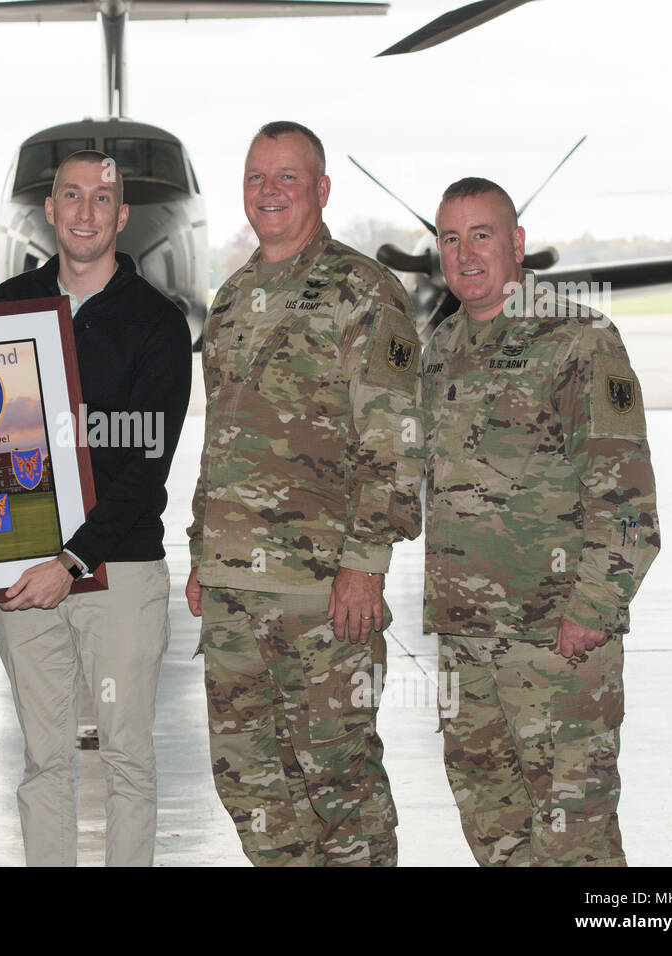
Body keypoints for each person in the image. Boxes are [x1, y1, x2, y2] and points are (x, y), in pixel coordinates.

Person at [0, 149, 192, 866]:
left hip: (121, 570)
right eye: (70, 197)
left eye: (99, 199)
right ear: (49, 210)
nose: (84, 212)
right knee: (45, 763)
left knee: (128, 759)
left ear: (121, 214)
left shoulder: (158, 324)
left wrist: (72, 561)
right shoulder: (9, 304)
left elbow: (146, 468)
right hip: (21, 570)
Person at [184, 121, 424, 866]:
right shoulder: (232, 296)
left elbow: (396, 439)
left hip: (321, 588)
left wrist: (367, 561)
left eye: (288, 176)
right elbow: (224, 434)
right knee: (249, 778)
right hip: (231, 583)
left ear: (321, 189)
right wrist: (203, 550)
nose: (269, 191)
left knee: (338, 779)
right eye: (257, 176)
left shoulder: (364, 291)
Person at [425, 177, 660, 866]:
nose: (465, 254)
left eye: (482, 234)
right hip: (465, 644)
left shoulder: (579, 340)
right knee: (493, 830)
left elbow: (628, 501)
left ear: (517, 243)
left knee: (573, 837)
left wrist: (590, 611)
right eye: (449, 237)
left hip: (555, 642)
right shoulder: (441, 348)